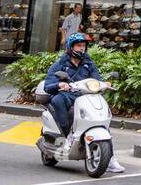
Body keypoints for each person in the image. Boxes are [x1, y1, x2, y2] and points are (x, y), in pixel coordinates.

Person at [43, 33, 125, 173]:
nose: (82, 48)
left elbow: (96, 79)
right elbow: (48, 85)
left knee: (99, 116)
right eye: (79, 45)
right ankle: (67, 135)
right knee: (57, 100)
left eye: (83, 46)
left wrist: (104, 83)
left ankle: (110, 158)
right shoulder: (61, 64)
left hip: (84, 95)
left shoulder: (88, 63)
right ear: (71, 47)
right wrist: (60, 85)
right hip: (67, 95)